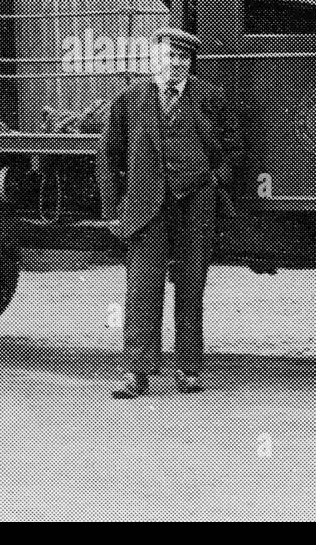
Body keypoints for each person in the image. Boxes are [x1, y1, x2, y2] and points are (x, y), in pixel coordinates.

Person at [97, 27, 242, 397]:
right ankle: (136, 372)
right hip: (148, 207)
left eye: (183, 58)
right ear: (153, 57)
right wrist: (114, 210)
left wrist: (214, 178)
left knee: (192, 287)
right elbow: (107, 158)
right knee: (142, 288)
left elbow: (235, 147)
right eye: (169, 56)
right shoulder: (129, 101)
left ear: (190, 62)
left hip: (196, 203)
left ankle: (188, 369)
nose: (175, 64)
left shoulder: (209, 97)